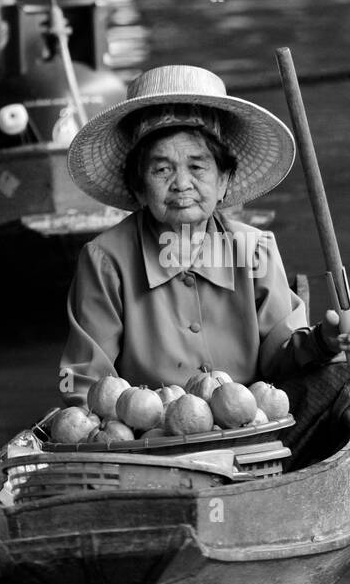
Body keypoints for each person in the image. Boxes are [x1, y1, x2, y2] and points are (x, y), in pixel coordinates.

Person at [59, 65, 350, 466]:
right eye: (162, 170)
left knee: (342, 380)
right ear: (139, 188)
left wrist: (324, 342)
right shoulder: (105, 259)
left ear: (224, 182)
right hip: (153, 449)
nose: (181, 184)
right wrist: (116, 427)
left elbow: (280, 358)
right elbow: (82, 381)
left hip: (255, 433)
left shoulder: (255, 247)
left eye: (197, 167)